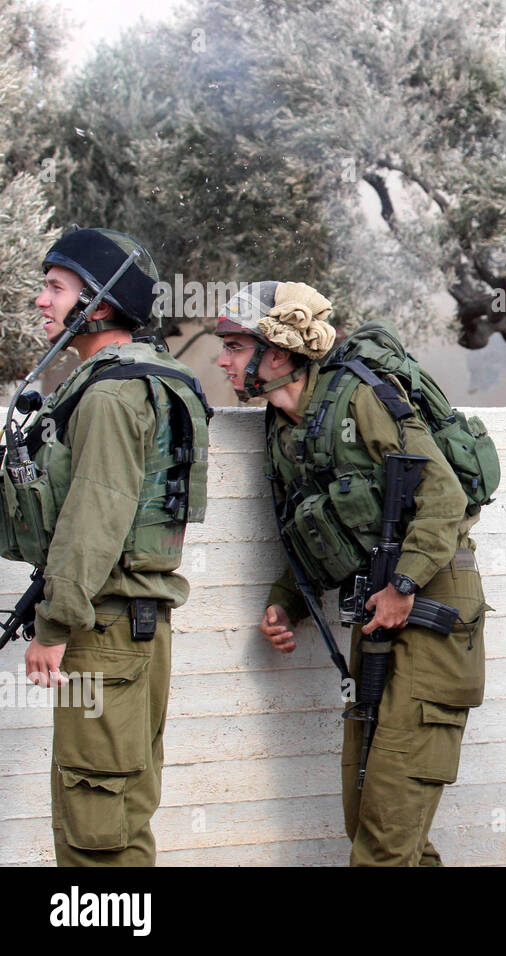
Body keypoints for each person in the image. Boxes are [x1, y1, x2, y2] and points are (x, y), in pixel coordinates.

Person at [214, 282, 487, 867]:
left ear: (279, 353)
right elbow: (307, 524)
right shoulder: (285, 427)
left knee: (386, 837)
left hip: (429, 604)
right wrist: (285, 601)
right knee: (370, 819)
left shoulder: (362, 396)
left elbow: (446, 496)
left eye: (236, 346)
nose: (223, 360)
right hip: (379, 612)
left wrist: (405, 585)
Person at [3, 228, 211, 865]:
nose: (41, 301)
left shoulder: (113, 394)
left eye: (56, 288)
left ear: (97, 305)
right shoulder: (130, 380)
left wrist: (55, 624)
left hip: (104, 629)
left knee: (98, 825)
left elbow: (94, 520)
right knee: (112, 808)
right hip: (125, 627)